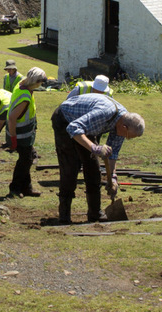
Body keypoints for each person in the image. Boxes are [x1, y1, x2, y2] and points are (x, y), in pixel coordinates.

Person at [51, 93, 145, 224]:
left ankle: (95, 213)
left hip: (86, 127)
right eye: (129, 136)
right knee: (70, 168)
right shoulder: (105, 113)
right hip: (66, 120)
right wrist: (95, 148)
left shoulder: (123, 122)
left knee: (93, 169)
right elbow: (73, 128)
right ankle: (64, 215)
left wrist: (112, 177)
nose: (127, 139)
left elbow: (112, 154)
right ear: (124, 127)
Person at [5, 67, 48, 197]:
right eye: (40, 82)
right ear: (36, 82)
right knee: (25, 161)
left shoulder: (21, 85)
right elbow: (12, 117)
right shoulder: (25, 97)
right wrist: (13, 139)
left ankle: (26, 188)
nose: (41, 85)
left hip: (22, 133)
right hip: (19, 134)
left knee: (27, 160)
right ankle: (15, 189)